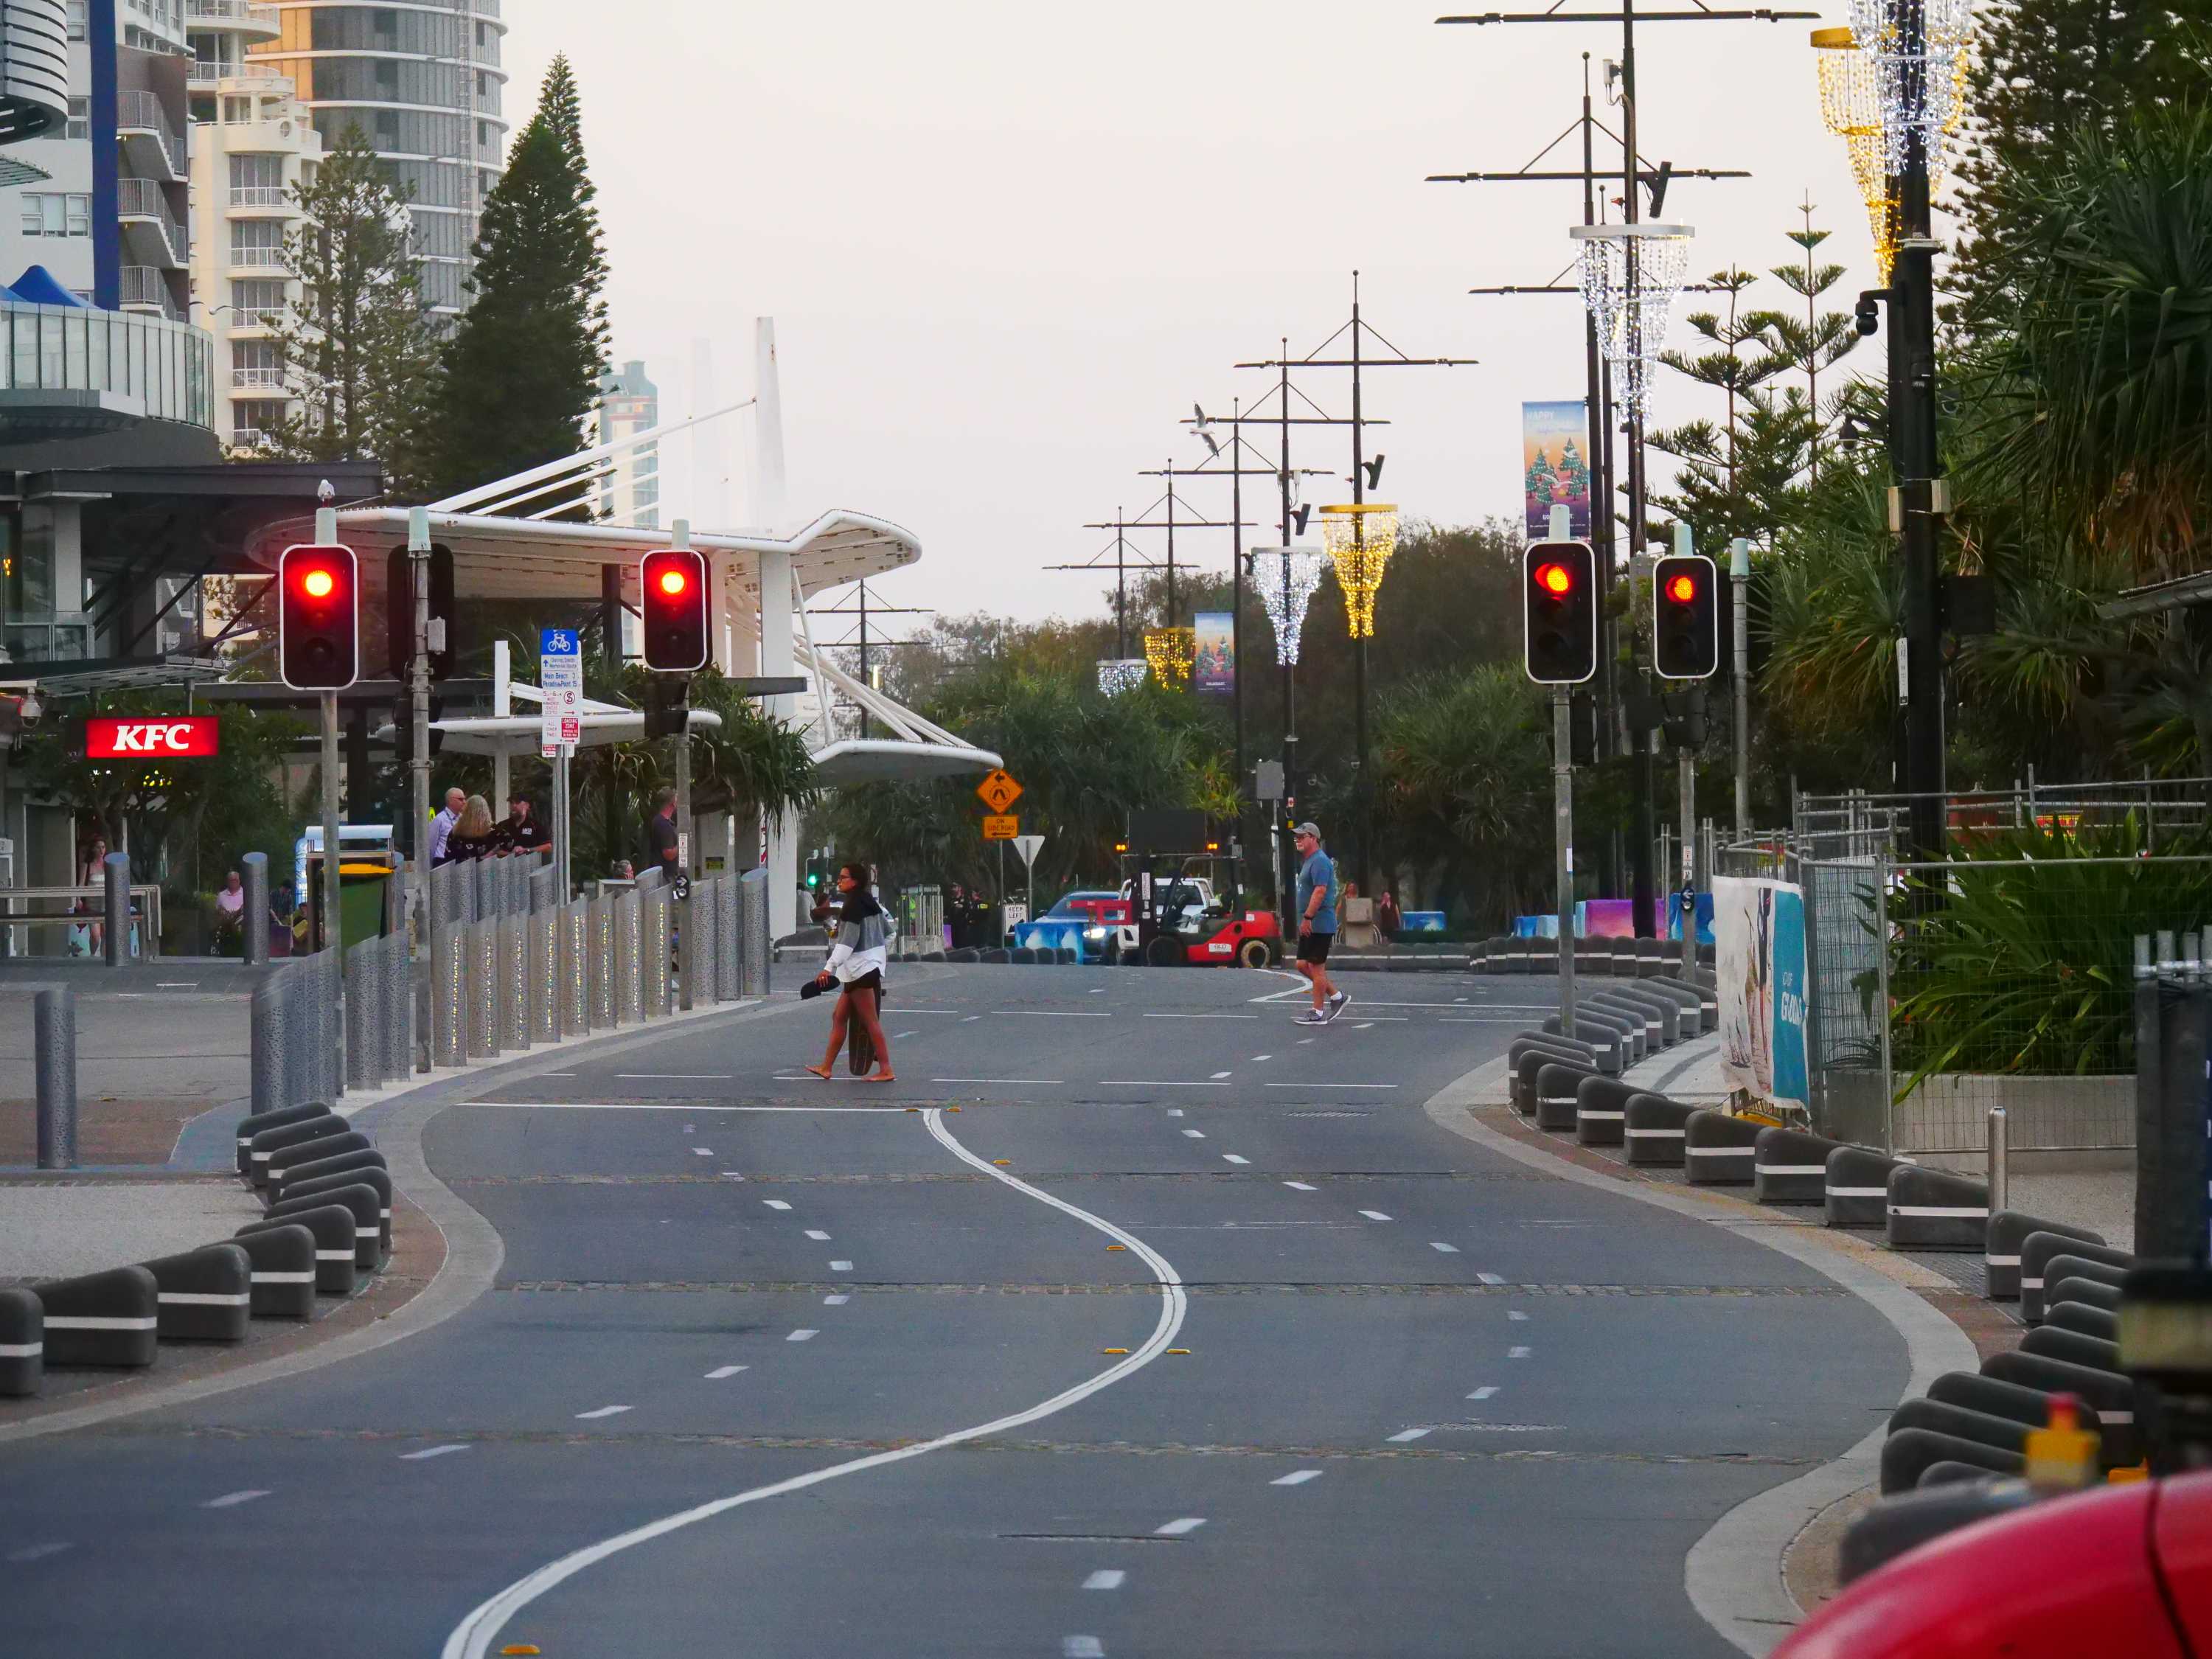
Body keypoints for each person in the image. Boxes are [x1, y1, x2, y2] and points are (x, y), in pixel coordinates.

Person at [804, 861, 894, 1083]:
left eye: (843, 877)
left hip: (860, 972)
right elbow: (890, 934)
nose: (839, 881)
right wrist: (877, 957)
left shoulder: (852, 908)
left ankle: (886, 1069)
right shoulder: (871, 904)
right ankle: (826, 1067)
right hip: (865, 970)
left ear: (855, 881)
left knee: (870, 1021)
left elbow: (846, 944)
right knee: (839, 1016)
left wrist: (828, 968)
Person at [1290, 821, 1346, 1025]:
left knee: (1316, 967)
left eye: (1302, 836)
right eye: (1296, 837)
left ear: (1313, 838)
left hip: (1319, 923)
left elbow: (1320, 891)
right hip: (1311, 923)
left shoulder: (1320, 862)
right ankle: (1337, 996)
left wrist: (1308, 918)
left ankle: (1318, 1012)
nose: (1298, 840)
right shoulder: (1309, 861)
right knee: (1302, 964)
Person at [444, 795, 498, 863]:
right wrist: (490, 854)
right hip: (483, 868)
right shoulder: (494, 830)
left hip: (461, 868)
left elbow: (448, 857)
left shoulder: (455, 831)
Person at [494, 793, 549, 859]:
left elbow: (548, 847)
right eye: (512, 803)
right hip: (506, 865)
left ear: (527, 805)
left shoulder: (535, 825)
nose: (514, 805)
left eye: (517, 802)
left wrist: (526, 850)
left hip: (530, 864)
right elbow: (493, 850)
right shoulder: (502, 826)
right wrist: (511, 854)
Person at [644, 787, 680, 885]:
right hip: (665, 879)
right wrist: (682, 845)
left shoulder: (659, 821)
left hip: (662, 877)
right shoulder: (663, 824)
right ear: (673, 802)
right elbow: (668, 854)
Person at [428, 787, 465, 866]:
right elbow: (431, 845)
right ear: (451, 801)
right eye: (461, 799)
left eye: (464, 799)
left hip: (459, 861)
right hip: (442, 862)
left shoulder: (463, 819)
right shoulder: (439, 819)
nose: (464, 802)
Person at [214, 869, 246, 947]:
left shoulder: (246, 894)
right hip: (225, 932)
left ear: (239, 881)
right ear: (227, 882)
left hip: (242, 931)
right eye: (231, 880)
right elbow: (217, 910)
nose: (234, 882)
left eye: (236, 880)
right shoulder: (221, 895)